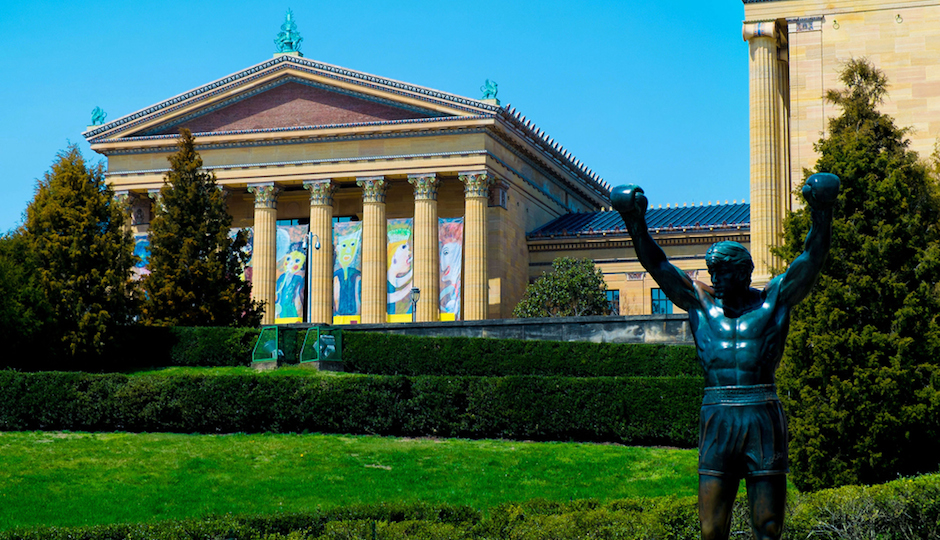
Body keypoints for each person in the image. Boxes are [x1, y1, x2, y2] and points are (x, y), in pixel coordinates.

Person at [611, 173, 840, 540]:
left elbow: (813, 257)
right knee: (711, 530)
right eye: (712, 270)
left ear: (745, 272)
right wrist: (634, 221)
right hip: (717, 415)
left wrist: (822, 211)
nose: (715, 278)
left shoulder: (773, 301)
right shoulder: (700, 303)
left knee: (768, 529)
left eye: (724, 272)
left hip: (761, 412)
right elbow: (658, 265)